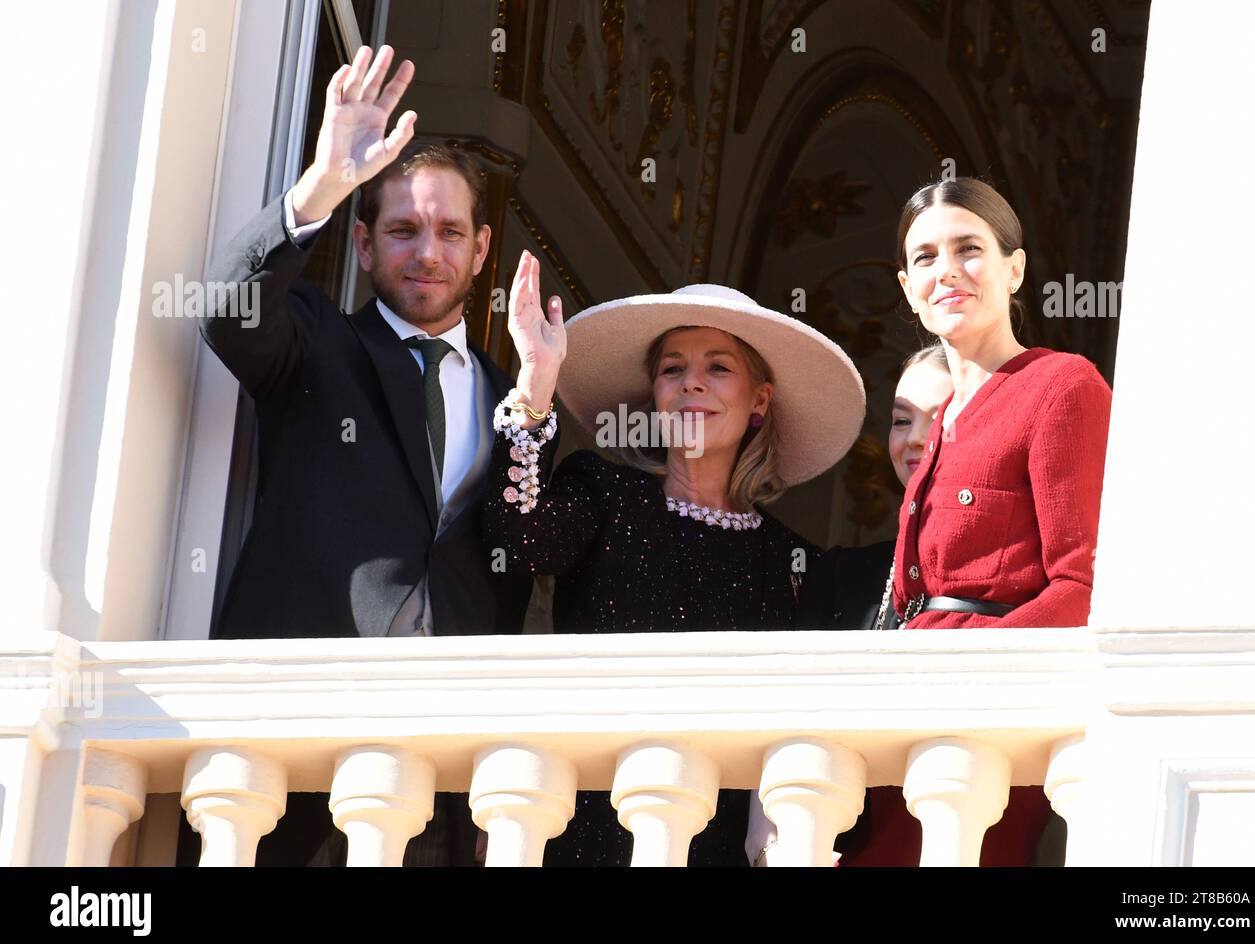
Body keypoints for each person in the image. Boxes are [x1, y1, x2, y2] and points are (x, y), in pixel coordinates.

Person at [187, 44, 545, 866]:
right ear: (362, 245)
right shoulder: (315, 345)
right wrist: (324, 181)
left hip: (439, 780)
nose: (429, 251)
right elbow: (227, 312)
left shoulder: (515, 400)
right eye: (403, 230)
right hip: (288, 757)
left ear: (482, 250)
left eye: (451, 231)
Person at [482, 278, 865, 865]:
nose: (691, 382)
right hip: (586, 825)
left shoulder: (795, 564)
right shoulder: (604, 493)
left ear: (759, 400)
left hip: (716, 836)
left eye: (719, 368)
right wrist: (535, 385)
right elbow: (520, 538)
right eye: (672, 368)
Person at [890, 177, 1112, 630]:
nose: (947, 271)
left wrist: (976, 673)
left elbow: (1083, 587)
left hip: (992, 688)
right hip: (912, 682)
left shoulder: (1062, 386)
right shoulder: (943, 417)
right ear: (910, 288)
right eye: (926, 258)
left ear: (1014, 270)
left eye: (968, 248)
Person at [797, 344, 951, 632]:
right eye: (903, 421)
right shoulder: (839, 577)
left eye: (940, 417)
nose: (915, 437)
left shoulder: (1022, 571)